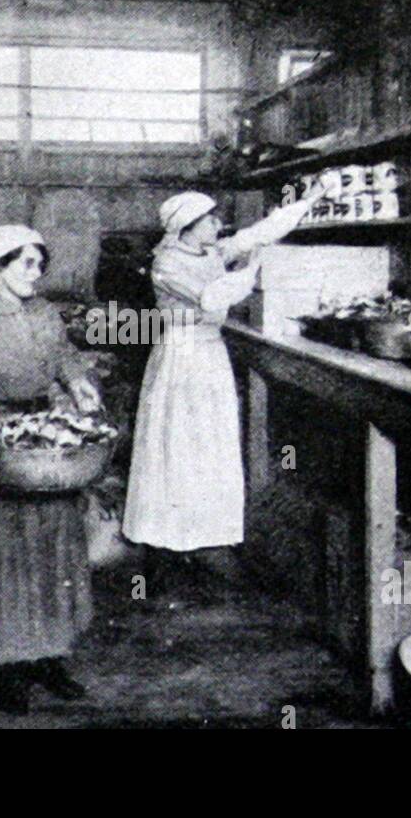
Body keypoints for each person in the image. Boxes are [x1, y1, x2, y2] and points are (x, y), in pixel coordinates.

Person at [122, 173, 340, 596]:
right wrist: (254, 268)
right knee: (173, 454)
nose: (216, 226)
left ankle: (205, 544)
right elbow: (212, 297)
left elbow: (262, 231)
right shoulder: (167, 263)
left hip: (208, 355)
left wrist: (311, 198)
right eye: (207, 220)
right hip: (180, 361)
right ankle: (161, 555)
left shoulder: (210, 250)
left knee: (211, 452)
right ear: (185, 228)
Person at [0, 224, 103, 715]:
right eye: (25, 263)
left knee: (53, 550)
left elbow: (64, 357)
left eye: (39, 264)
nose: (36, 273)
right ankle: (4, 669)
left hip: (45, 443)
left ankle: (48, 658)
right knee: (5, 559)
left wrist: (79, 382)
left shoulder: (45, 312)